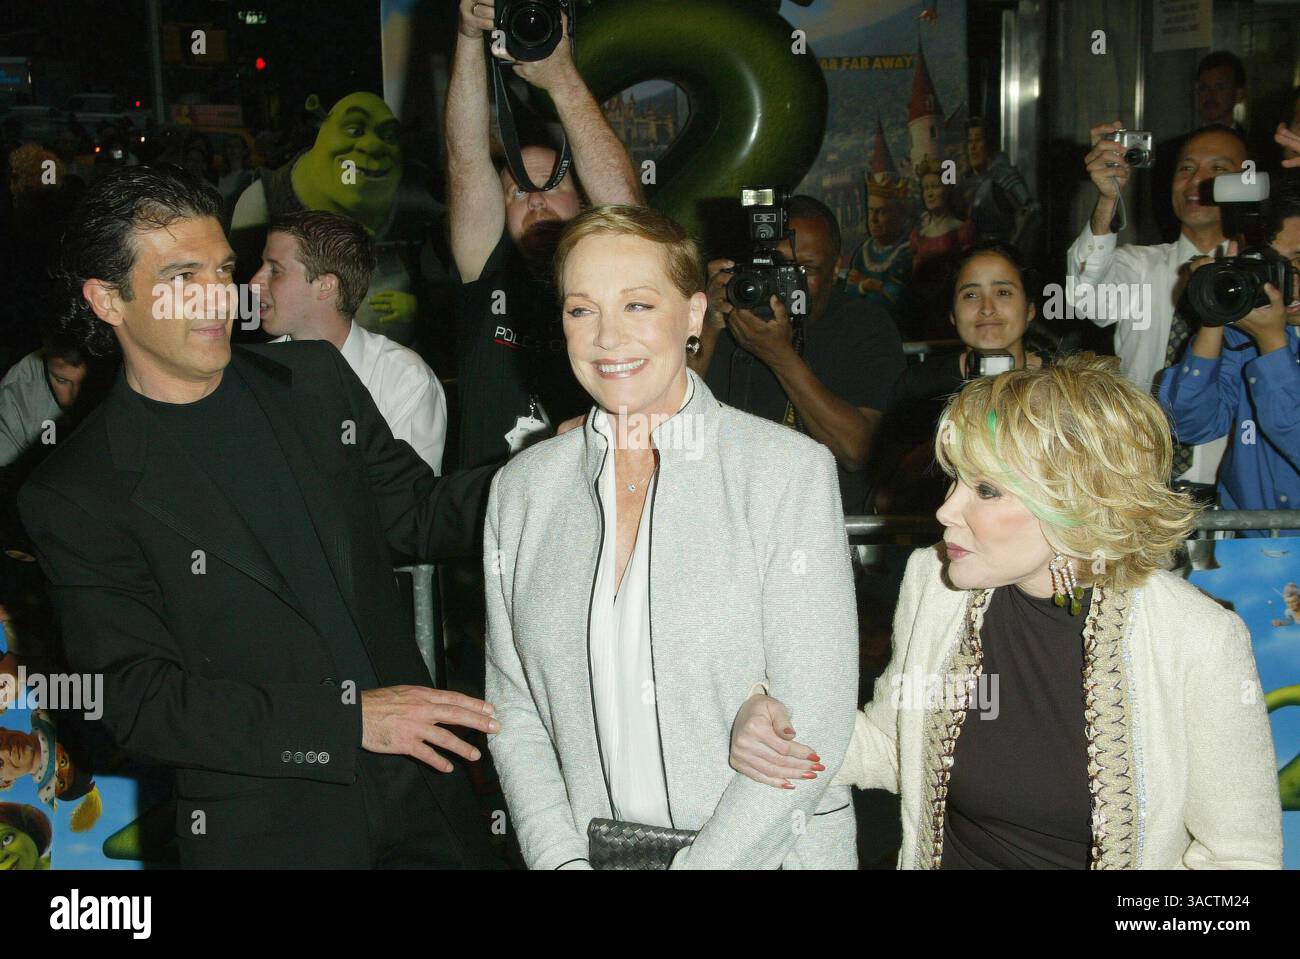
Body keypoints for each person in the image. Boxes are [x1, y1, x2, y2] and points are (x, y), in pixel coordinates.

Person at [16, 164, 503, 869]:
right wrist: (348, 722)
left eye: (222, 269)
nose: (221, 297)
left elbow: (420, 514)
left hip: (426, 794)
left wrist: (565, 466)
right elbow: (136, 703)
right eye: (183, 278)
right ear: (107, 299)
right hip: (271, 831)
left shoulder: (312, 379)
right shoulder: (77, 489)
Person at [729, 354, 1283, 869]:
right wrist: (765, 718)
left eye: (987, 490)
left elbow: (1242, 861)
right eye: (954, 480)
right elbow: (897, 748)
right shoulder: (937, 585)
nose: (946, 509)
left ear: (1079, 499)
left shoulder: (1195, 637)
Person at [484, 205, 859, 869]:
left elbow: (817, 723)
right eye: (581, 309)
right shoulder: (522, 492)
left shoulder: (783, 471)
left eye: (636, 305)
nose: (607, 337)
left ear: (692, 315)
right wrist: (560, 861)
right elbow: (516, 711)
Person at [448, 0, 642, 468]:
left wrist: (562, 79)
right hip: (487, 516)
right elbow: (465, 156)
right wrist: (469, 38)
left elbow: (627, 208)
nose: (535, 200)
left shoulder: (612, 275)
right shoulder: (489, 271)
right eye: (517, 192)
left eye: (553, 185)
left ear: (583, 202)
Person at [693, 195, 905, 514]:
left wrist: (780, 355)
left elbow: (855, 449)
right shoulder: (728, 312)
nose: (791, 283)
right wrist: (707, 324)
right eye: (778, 266)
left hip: (821, 525)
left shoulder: (864, 326)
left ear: (837, 269)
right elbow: (670, 425)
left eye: (807, 268)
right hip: (726, 517)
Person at [1067, 121, 1249, 484]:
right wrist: (1107, 198)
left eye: (1217, 169)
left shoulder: (1266, 280)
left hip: (1237, 494)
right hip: (1141, 482)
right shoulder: (1141, 266)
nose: (1197, 180)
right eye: (1186, 168)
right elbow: (1086, 298)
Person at [253, 210, 448, 473]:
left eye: (275, 270)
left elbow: (412, 503)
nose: (255, 282)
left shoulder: (404, 380)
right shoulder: (256, 369)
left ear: (325, 286)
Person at [1158, 180, 1300, 536]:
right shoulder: (1249, 332)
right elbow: (1186, 425)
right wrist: (1213, 311)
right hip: (1248, 551)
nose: (1289, 283)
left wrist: (1273, 345)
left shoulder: (1266, 337)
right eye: (1275, 265)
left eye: (1299, 261)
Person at [871, 241, 1048, 515]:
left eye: (1003, 292)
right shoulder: (920, 387)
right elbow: (886, 494)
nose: (987, 308)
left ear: (1030, 310)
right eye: (970, 295)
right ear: (952, 314)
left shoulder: (1062, 384)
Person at [1153, 52, 1249, 241]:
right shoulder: (1169, 151)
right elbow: (1163, 214)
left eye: (1219, 87)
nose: (1210, 96)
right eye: (1203, 88)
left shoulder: (1259, 149)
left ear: (1239, 94)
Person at [910, 157, 977, 339]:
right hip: (924, 312)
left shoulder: (962, 230)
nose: (930, 193)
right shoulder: (918, 235)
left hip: (952, 307)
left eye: (935, 187)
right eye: (926, 188)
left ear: (947, 190)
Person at [955, 117, 1041, 251]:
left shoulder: (1003, 174)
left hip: (1000, 253)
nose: (973, 147)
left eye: (978, 140)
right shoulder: (971, 181)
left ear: (989, 143)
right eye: (970, 141)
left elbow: (1031, 210)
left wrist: (1011, 249)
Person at [846, 171, 913, 335]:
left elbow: (897, 299)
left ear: (899, 214)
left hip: (898, 332)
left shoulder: (908, 251)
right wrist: (867, 286)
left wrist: (868, 286)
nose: (873, 219)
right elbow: (850, 293)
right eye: (871, 211)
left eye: (881, 212)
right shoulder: (863, 251)